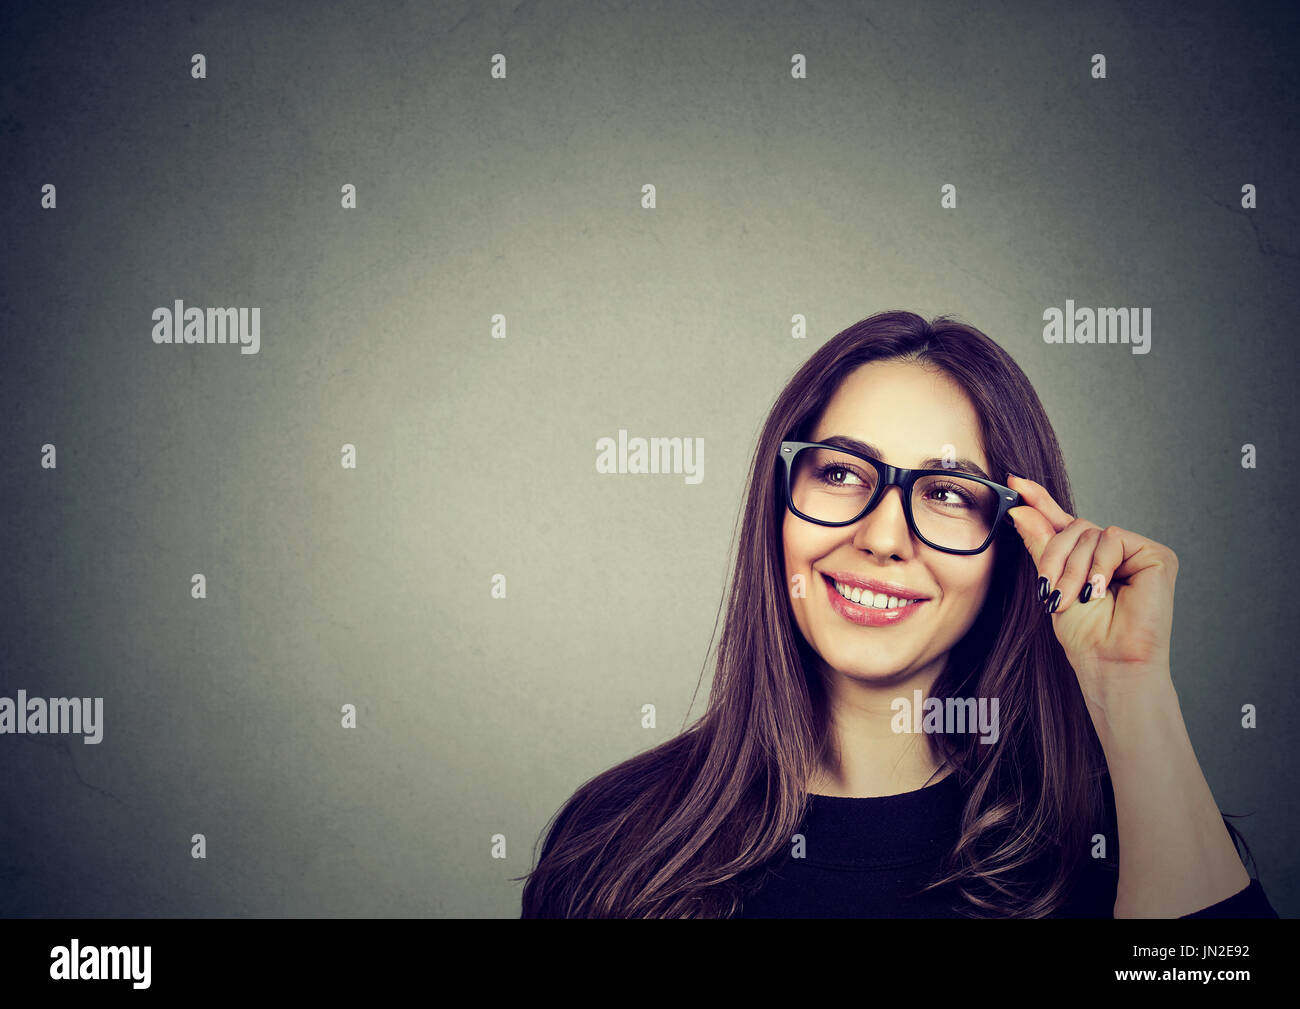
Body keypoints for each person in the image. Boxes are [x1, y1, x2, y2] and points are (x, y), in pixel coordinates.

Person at [518, 310, 1278, 918]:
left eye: (947, 492)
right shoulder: (615, 841)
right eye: (843, 473)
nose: (882, 537)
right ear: (777, 508)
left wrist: (1131, 688)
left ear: (1015, 545)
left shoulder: (1113, 839)